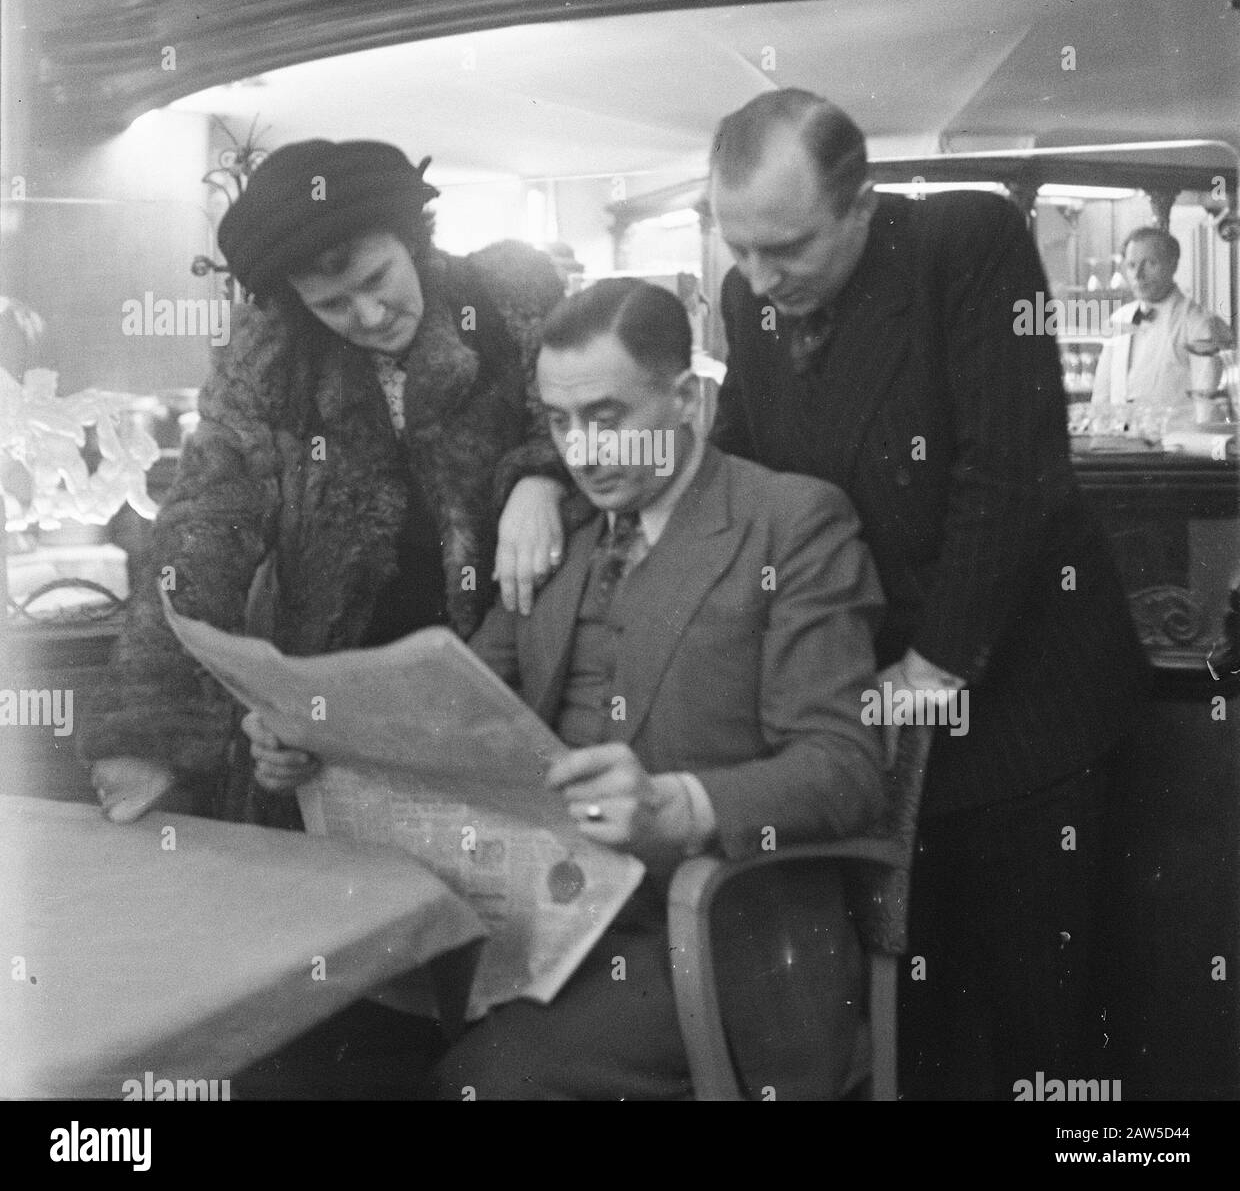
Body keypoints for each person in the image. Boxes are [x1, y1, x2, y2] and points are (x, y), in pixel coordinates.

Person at [246, 277, 888, 1099]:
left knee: (481, 1084)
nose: (581, 453)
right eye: (559, 424)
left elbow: (846, 768)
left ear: (687, 399)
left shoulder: (791, 524)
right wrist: (316, 736)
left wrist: (675, 805)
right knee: (294, 1036)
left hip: (711, 936)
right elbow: (446, 707)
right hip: (540, 917)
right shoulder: (561, 536)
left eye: (607, 419)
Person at [707, 88, 1150, 1100]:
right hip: (880, 718)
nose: (760, 280)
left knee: (1046, 1025)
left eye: (785, 248)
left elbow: (1010, 474)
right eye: (737, 250)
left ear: (860, 205)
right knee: (923, 1021)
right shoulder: (748, 301)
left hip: (1024, 704)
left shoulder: (966, 239)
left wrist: (932, 668)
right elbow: (740, 464)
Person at [79, 139, 569, 826]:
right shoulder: (268, 363)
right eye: (333, 304)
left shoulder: (506, 298)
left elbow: (595, 416)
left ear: (412, 239)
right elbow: (198, 537)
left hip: (509, 678)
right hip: (339, 709)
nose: (368, 317)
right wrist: (145, 732)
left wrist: (540, 475)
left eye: (378, 279)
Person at [1091, 225, 1233, 416]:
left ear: (1173, 265)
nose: (1138, 275)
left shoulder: (1200, 324)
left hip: (1175, 444)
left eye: (1149, 263)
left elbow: (1207, 407)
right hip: (1118, 442)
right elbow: (1101, 398)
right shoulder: (1118, 319)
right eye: (1132, 265)